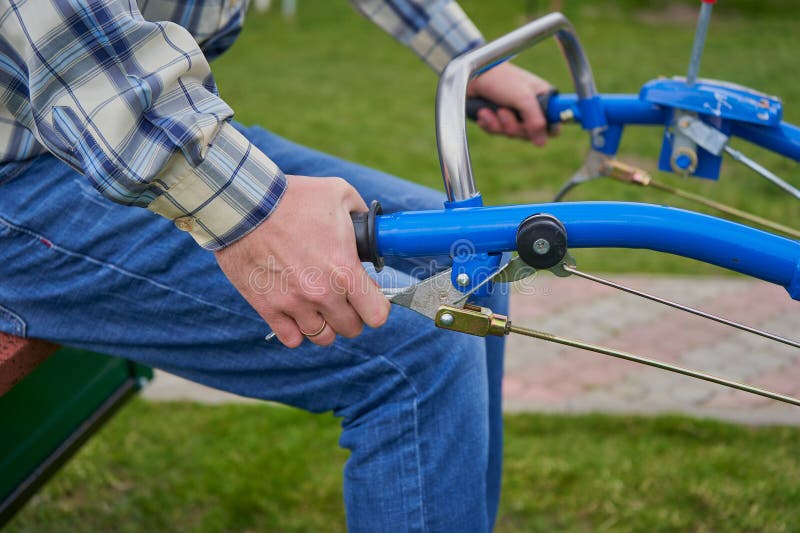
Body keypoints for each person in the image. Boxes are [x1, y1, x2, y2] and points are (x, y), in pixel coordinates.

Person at [0, 1, 552, 530]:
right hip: (24, 180)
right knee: (422, 350)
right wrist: (248, 215)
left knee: (472, 252)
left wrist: (471, 55)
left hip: (135, 126)